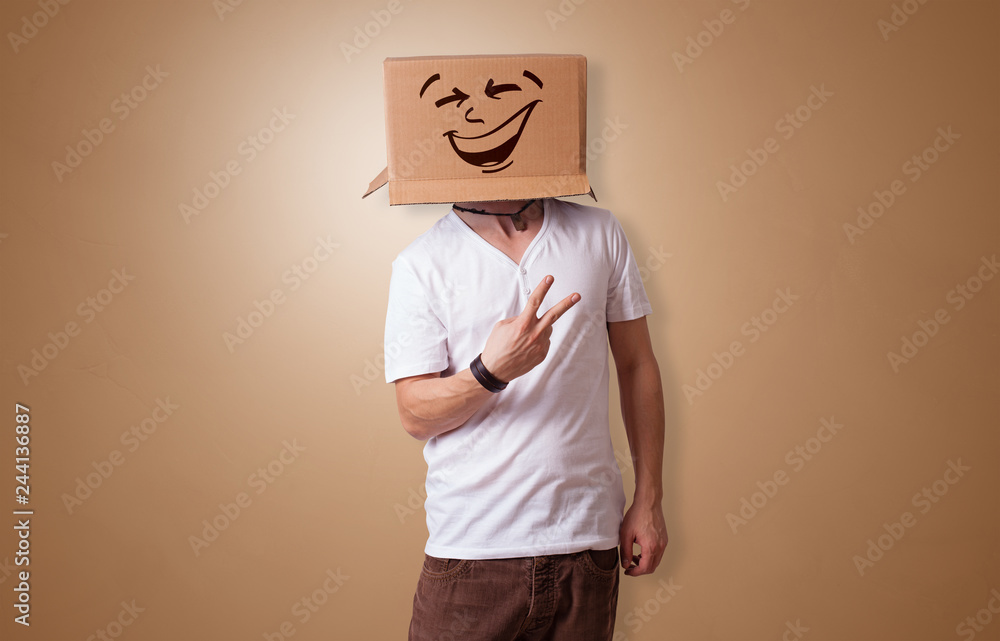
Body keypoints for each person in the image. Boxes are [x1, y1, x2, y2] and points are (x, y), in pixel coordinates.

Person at [384, 196, 668, 640]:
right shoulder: (422, 262)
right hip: (473, 551)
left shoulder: (599, 232)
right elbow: (415, 413)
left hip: (587, 547)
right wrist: (490, 372)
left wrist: (649, 500)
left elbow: (637, 365)